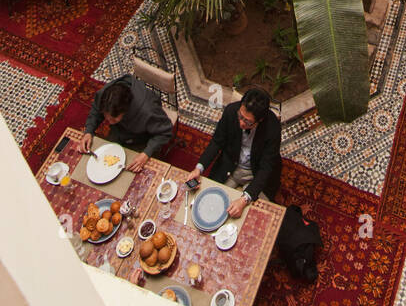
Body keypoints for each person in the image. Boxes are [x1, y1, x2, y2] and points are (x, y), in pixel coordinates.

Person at [185, 87, 281, 220]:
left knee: (249, 217)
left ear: (260, 120)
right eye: (240, 116)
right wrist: (198, 168)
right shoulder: (231, 111)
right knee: (213, 206)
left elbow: (266, 168)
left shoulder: (273, 128)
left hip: (256, 173)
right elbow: (216, 142)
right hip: (231, 167)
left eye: (247, 122)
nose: (241, 123)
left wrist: (244, 199)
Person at [82, 75, 173, 172]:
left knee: (132, 173)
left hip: (143, 137)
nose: (109, 122)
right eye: (106, 116)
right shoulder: (105, 95)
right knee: (104, 163)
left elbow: (165, 132)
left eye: (113, 118)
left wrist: (146, 153)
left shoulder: (148, 111)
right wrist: (89, 131)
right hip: (119, 131)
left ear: (125, 110)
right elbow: (96, 109)